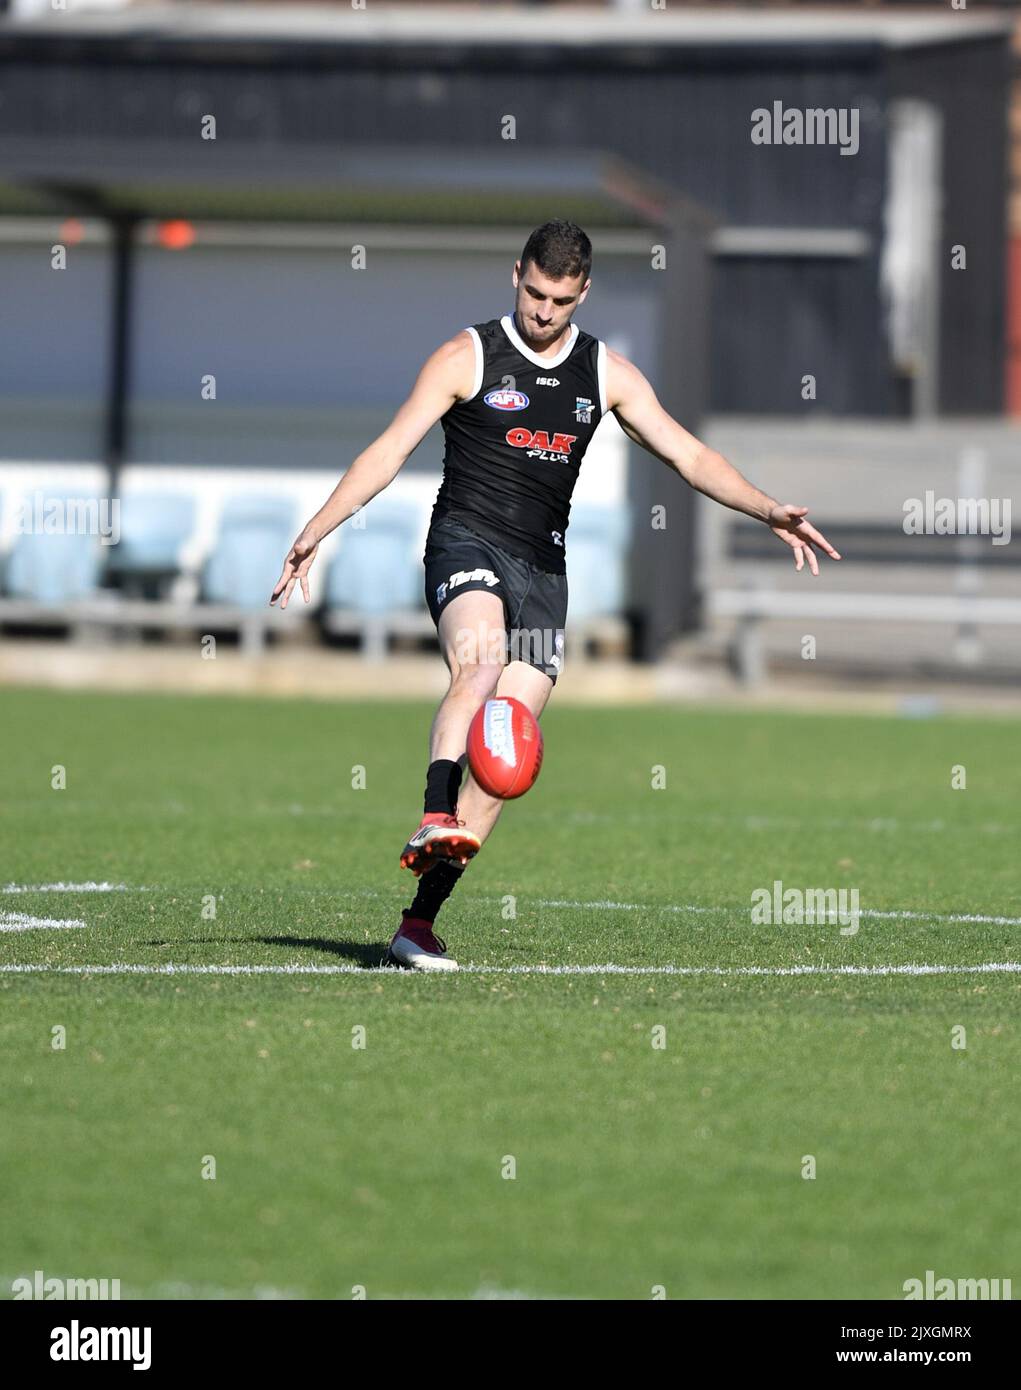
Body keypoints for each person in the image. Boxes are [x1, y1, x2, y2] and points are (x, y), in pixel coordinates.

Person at [271, 220, 840, 971]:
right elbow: (387, 450)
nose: (543, 312)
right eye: (534, 293)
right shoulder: (465, 356)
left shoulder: (605, 373)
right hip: (465, 543)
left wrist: (766, 507)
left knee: (506, 758)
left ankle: (418, 922)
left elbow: (688, 453)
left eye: (560, 301)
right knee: (476, 665)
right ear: (515, 276)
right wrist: (318, 527)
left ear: (583, 294)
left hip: (544, 573)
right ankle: (433, 810)